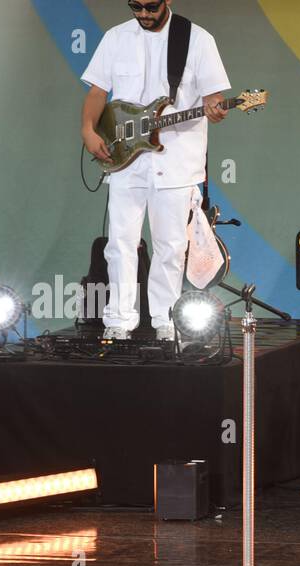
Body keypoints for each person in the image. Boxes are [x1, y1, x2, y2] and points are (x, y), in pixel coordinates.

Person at [80, 0, 230, 340]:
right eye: (135, 6)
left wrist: (217, 108)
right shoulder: (116, 38)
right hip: (125, 160)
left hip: (176, 161)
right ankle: (118, 321)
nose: (143, 13)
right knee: (119, 243)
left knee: (171, 246)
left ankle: (166, 322)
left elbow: (214, 97)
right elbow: (97, 91)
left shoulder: (197, 39)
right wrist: (88, 130)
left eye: (150, 6)